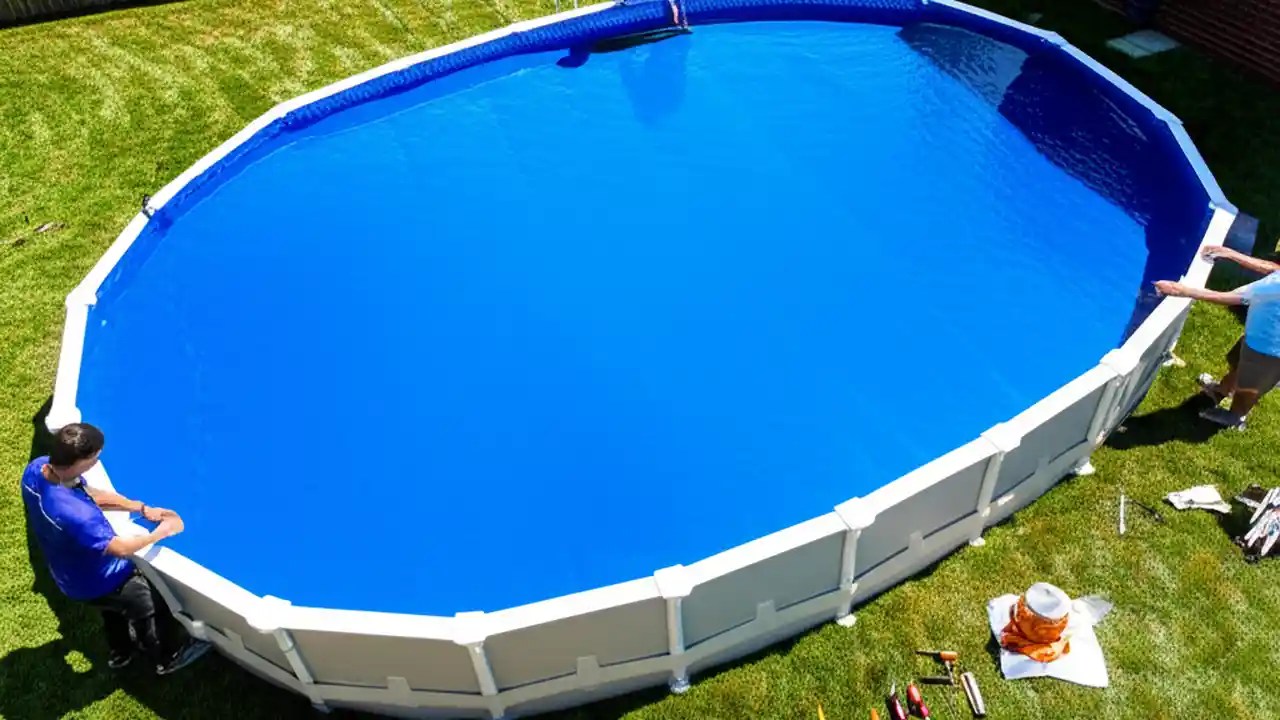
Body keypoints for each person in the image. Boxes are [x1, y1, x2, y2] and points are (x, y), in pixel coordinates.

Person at [20, 422, 210, 674]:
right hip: (103, 578)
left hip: (69, 575)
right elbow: (120, 548)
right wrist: (162, 531)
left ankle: (121, 652)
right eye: (94, 457)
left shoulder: (37, 470)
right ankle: (167, 657)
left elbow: (87, 493)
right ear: (79, 460)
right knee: (149, 607)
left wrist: (139, 508)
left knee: (111, 610)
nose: (97, 462)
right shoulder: (77, 515)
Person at [1155, 245, 1280, 430]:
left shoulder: (1272, 287)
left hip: (1269, 350)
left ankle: (1235, 417)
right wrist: (1230, 253)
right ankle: (1221, 391)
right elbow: (1273, 269)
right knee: (1237, 365)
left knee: (1249, 387)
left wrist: (1181, 290)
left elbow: (1229, 297)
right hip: (1258, 336)